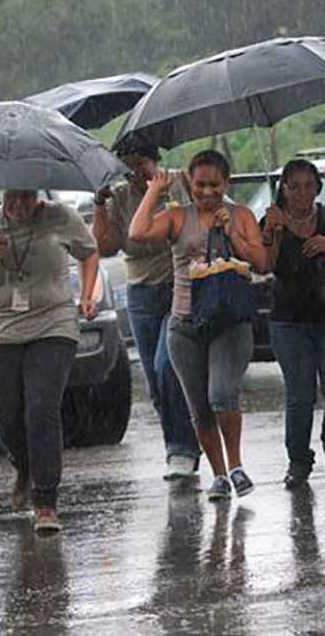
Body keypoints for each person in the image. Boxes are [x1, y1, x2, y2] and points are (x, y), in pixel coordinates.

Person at [128, 150, 269, 502]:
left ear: (227, 183)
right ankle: (218, 475)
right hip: (185, 323)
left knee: (221, 393)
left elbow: (263, 262)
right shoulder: (177, 217)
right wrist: (153, 191)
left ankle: (236, 466)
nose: (206, 192)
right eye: (200, 185)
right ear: (190, 183)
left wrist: (233, 237)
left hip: (229, 321)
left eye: (214, 185)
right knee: (199, 407)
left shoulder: (242, 215)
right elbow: (138, 231)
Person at [0, 189, 100, 534]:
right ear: (2, 193)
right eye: (13, 197)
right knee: (9, 419)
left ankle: (45, 501)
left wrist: (86, 294)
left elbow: (90, 251)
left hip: (53, 324)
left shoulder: (61, 217)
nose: (19, 205)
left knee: (41, 410)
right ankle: (24, 464)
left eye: (27, 196)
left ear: (38, 192)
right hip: (2, 330)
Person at [91, 137, 200, 481]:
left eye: (142, 162)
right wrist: (98, 206)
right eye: (128, 165)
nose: (136, 172)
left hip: (182, 289)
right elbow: (105, 248)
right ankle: (182, 441)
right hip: (141, 295)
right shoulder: (121, 198)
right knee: (155, 382)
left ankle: (182, 449)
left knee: (167, 367)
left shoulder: (181, 183)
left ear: (156, 159)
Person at [260, 158, 325, 488]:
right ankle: (298, 459)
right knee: (300, 393)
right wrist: (272, 232)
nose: (302, 193)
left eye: (308, 185)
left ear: (317, 187)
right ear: (284, 190)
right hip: (289, 319)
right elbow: (267, 265)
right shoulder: (272, 220)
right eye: (294, 186)